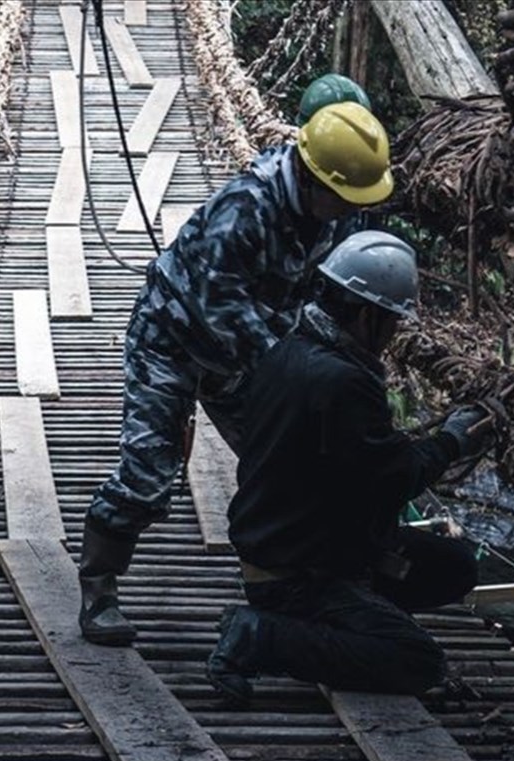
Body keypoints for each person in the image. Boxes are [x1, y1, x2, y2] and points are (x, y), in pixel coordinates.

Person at [78, 101, 395, 646]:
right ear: (314, 178)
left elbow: (315, 295)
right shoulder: (243, 211)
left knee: (292, 458)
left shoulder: (327, 211)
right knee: (150, 473)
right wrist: (295, 374)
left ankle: (297, 582)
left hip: (247, 350)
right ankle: (99, 586)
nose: (349, 210)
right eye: (344, 198)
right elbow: (220, 307)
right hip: (171, 339)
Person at [206, 230, 492, 706]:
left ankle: (344, 619)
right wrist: (452, 442)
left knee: (455, 566)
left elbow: (364, 463)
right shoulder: (341, 381)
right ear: (366, 316)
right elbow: (393, 477)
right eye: (393, 322)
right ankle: (260, 636)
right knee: (417, 661)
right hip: (298, 570)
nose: (395, 333)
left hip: (297, 540)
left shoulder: (289, 350)